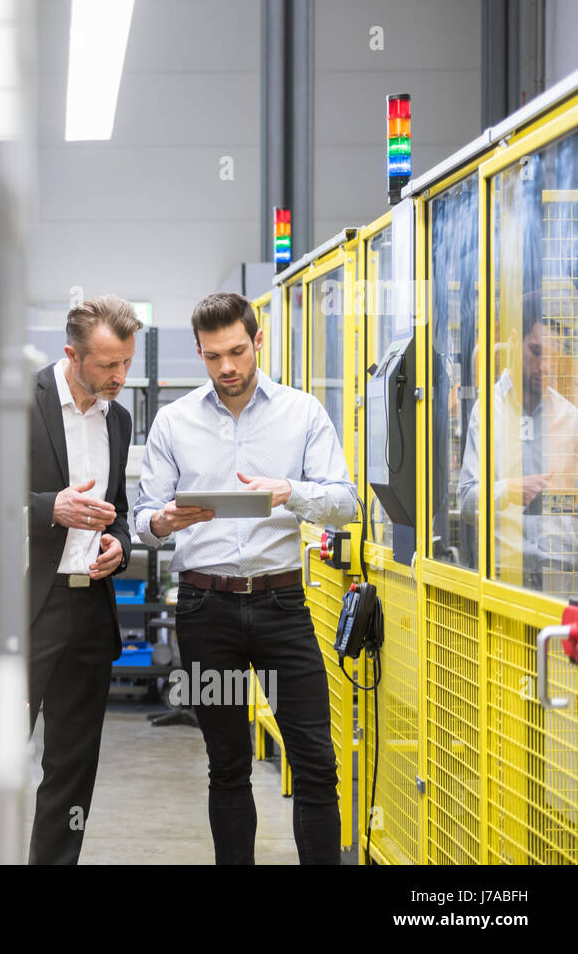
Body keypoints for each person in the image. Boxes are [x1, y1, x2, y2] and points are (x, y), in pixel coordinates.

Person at [133, 292, 358, 864]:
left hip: (282, 607)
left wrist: (290, 491)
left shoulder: (302, 413)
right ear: (199, 353)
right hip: (205, 610)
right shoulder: (174, 421)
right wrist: (162, 521)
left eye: (236, 351)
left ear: (258, 340)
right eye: (213, 356)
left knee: (315, 763)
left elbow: (346, 503)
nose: (227, 367)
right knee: (228, 765)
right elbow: (143, 518)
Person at [27, 294, 140, 864]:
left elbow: (117, 508)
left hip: (89, 609)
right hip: (22, 610)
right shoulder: (15, 403)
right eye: (107, 364)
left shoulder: (117, 418)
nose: (120, 376)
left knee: (71, 767)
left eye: (127, 362)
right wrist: (50, 508)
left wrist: (119, 544)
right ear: (71, 355)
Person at [459, 306, 578, 592]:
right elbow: (466, 502)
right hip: (505, 578)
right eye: (536, 352)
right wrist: (509, 490)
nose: (545, 367)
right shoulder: (488, 412)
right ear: (514, 341)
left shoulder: (570, 418)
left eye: (552, 357)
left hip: (561, 577)